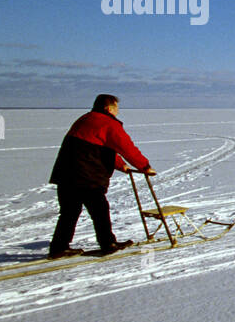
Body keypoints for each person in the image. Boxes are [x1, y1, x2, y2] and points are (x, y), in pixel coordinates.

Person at [48, 94, 155, 258]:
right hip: (86, 176)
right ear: (108, 108)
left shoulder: (85, 119)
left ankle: (58, 247)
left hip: (65, 174)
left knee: (69, 211)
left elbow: (100, 147)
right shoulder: (108, 123)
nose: (118, 110)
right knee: (100, 210)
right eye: (116, 107)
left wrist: (121, 165)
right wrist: (145, 166)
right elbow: (126, 148)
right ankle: (108, 244)